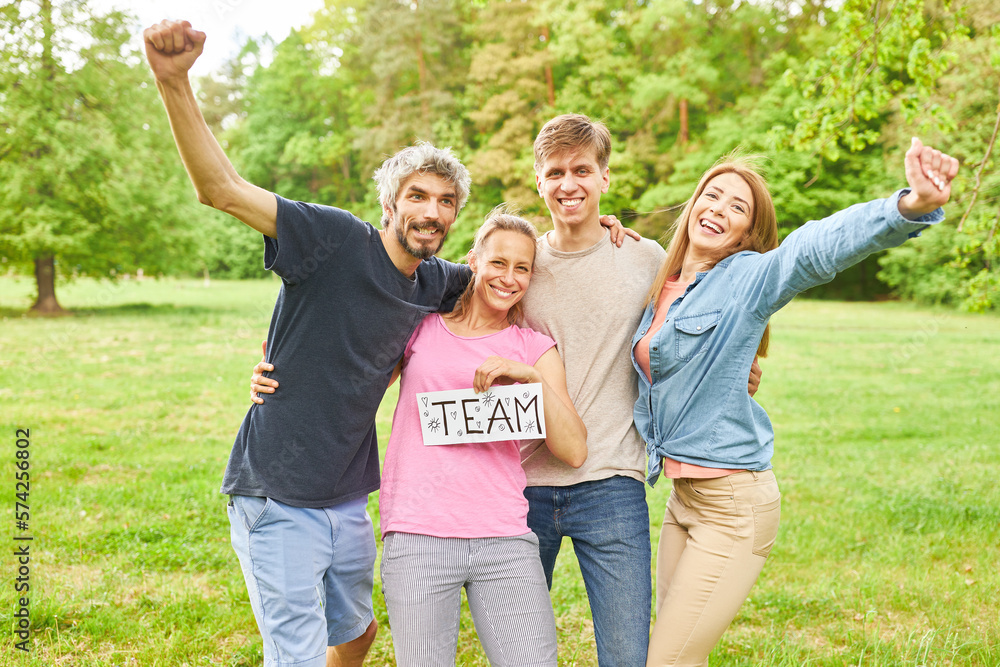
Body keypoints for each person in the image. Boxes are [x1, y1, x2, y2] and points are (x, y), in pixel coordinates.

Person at [143, 19, 474, 667]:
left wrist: (595, 227)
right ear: (390, 203)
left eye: (445, 200)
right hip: (278, 487)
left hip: (347, 493)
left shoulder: (437, 282)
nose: (431, 210)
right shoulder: (332, 237)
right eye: (417, 195)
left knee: (355, 633)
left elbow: (517, 271)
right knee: (293, 653)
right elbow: (221, 190)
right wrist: (174, 81)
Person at [634, 138, 959, 667]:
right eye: (712, 196)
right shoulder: (661, 285)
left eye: (737, 207)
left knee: (666, 662)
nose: (719, 209)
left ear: (747, 233)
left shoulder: (746, 279)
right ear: (693, 204)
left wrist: (908, 207)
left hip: (733, 508)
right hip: (682, 502)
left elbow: (814, 248)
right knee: (672, 654)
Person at [258, 209, 589, 664]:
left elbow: (573, 449)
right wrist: (278, 376)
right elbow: (351, 379)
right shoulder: (422, 327)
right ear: (473, 261)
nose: (508, 277)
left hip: (504, 537)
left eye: (522, 268)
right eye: (498, 262)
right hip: (416, 535)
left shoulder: (533, 347)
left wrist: (531, 378)